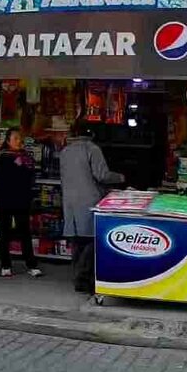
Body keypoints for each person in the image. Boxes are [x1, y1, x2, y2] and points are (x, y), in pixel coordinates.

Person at [60, 121, 123, 293]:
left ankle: (78, 277)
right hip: (88, 201)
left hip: (70, 203)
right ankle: (84, 280)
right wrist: (121, 177)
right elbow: (102, 175)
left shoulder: (65, 151)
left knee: (77, 241)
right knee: (91, 240)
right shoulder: (92, 149)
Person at [0, 127, 41, 278]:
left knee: (24, 232)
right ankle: (5, 265)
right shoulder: (1, 156)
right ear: (8, 140)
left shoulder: (26, 156)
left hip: (22, 200)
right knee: (4, 233)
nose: (19, 141)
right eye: (16, 138)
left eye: (20, 139)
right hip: (4, 199)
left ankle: (31, 265)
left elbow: (30, 174)